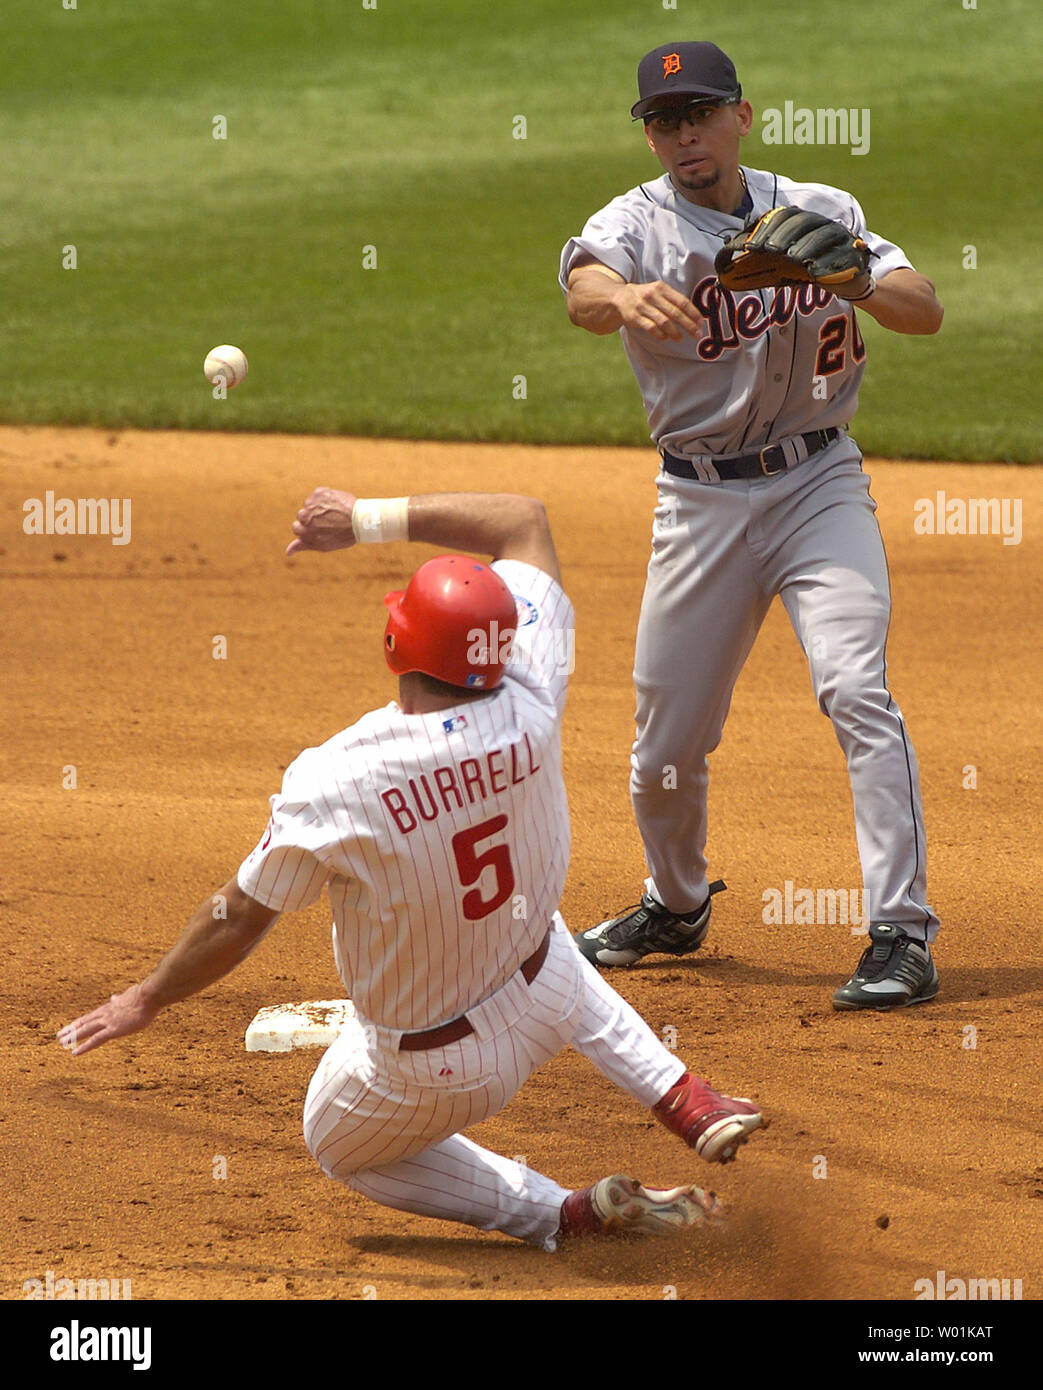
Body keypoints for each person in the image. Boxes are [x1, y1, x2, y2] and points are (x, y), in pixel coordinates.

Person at [58, 487, 764, 1250]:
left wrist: (148, 996)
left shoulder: (338, 778)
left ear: (397, 646)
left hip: (437, 1068)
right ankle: (681, 1095)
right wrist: (367, 518)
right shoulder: (530, 687)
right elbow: (523, 519)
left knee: (334, 1141)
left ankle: (557, 1213)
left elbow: (238, 915)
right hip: (543, 984)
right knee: (538, 929)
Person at [560, 41, 944, 1010]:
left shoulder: (823, 210)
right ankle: (674, 904)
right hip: (697, 502)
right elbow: (581, 291)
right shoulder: (631, 225)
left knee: (856, 690)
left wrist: (851, 278)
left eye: (699, 113)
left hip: (819, 483)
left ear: (740, 115)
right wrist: (620, 295)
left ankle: (900, 934)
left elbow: (922, 311)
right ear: (645, 132)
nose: (682, 134)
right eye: (661, 119)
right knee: (662, 746)